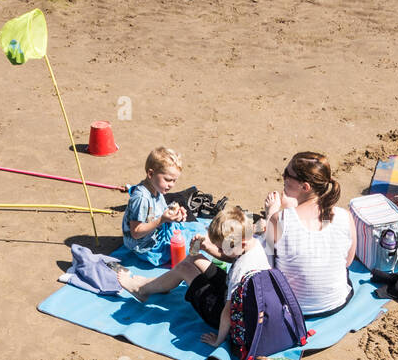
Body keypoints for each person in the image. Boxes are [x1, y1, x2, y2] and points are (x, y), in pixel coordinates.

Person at [117, 205, 269, 347]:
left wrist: (218, 340)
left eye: (222, 248)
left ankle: (141, 290)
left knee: (184, 268)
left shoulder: (241, 271)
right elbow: (232, 256)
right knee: (192, 258)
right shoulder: (253, 242)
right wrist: (206, 247)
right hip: (238, 294)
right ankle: (156, 285)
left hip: (223, 313)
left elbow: (228, 312)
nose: (221, 252)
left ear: (240, 243)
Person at [264, 152, 356, 316]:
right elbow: (347, 262)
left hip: (294, 307)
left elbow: (268, 267)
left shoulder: (280, 219)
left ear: (305, 187)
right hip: (337, 302)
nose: (283, 177)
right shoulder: (345, 216)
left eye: (287, 174)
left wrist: (271, 214)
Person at [122, 146, 188, 265]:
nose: (171, 185)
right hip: (144, 247)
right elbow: (136, 232)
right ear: (151, 174)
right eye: (168, 180)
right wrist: (162, 220)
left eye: (174, 181)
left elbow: (158, 211)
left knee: (187, 238)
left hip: (155, 232)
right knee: (185, 249)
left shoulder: (157, 188)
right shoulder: (142, 199)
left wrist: (175, 214)